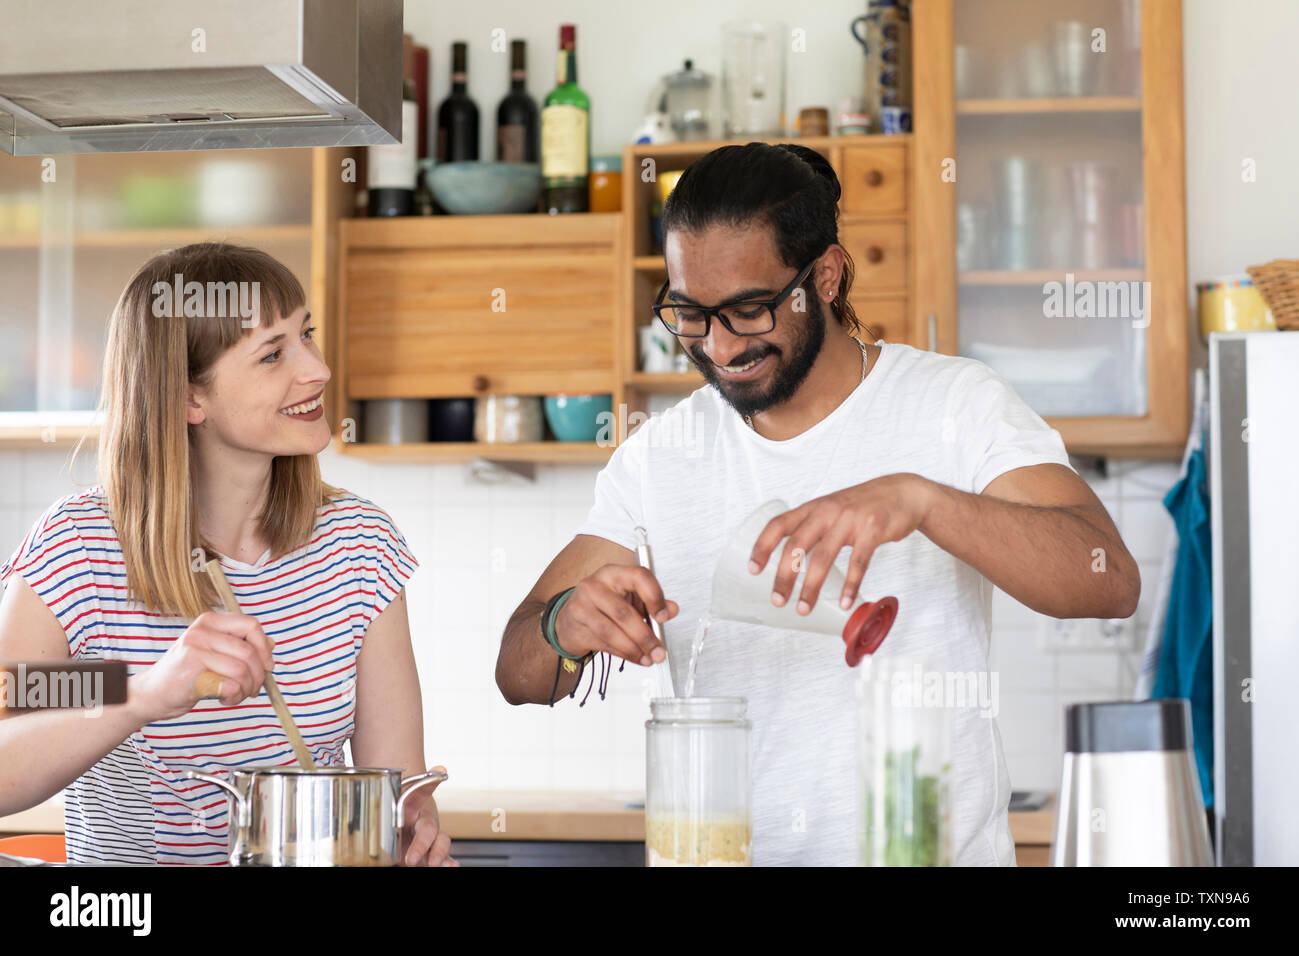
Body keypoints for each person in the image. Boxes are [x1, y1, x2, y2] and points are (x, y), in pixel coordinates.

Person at [496, 143, 1140, 866]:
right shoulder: (659, 455)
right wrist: (562, 622)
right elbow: (518, 673)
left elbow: (1108, 578)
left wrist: (923, 502)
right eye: (689, 313)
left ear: (824, 277)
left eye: (748, 309)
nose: (718, 345)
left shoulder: (953, 404)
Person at [0, 243, 455, 866]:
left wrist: (412, 834)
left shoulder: (357, 546)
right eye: (273, 354)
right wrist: (145, 693)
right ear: (191, 400)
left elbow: (395, 790)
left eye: (306, 336)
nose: (317, 369)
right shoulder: (83, 550)